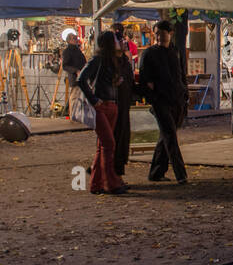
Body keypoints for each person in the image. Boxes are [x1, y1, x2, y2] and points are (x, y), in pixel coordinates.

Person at [77, 31, 128, 195]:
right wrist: (93, 99)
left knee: (103, 146)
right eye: (115, 40)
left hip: (111, 104)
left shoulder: (112, 61)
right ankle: (110, 183)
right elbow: (81, 79)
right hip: (101, 105)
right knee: (108, 144)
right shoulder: (97, 60)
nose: (119, 42)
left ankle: (96, 184)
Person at [137, 19, 188, 183]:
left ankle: (156, 172)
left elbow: (181, 74)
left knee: (166, 136)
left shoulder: (176, 52)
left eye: (162, 33)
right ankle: (181, 174)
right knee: (170, 135)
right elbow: (145, 78)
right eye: (157, 33)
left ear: (170, 33)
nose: (159, 36)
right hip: (160, 100)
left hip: (176, 99)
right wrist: (152, 95)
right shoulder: (149, 53)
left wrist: (184, 93)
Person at [109, 24, 136, 177]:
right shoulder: (106, 61)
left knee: (122, 138)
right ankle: (108, 172)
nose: (123, 43)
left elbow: (130, 80)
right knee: (114, 139)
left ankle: (117, 172)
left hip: (124, 104)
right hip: (113, 105)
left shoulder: (124, 61)